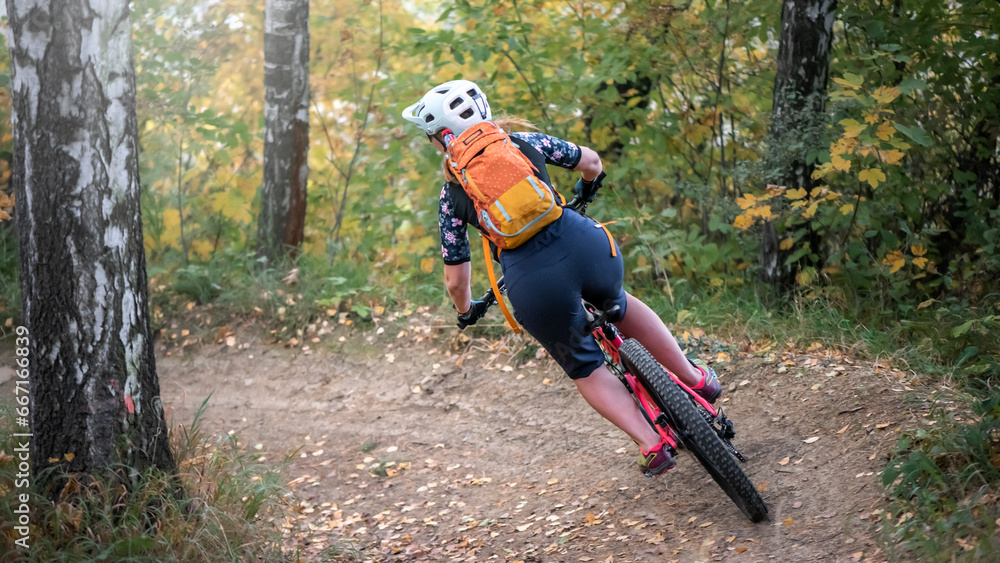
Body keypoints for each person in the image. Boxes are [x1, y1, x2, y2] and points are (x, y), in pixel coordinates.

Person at [402, 80, 721, 475]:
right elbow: (591, 162)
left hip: (534, 284)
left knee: (584, 365)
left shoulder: (452, 194)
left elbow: (456, 280)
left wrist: (466, 311)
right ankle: (695, 378)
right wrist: (586, 189)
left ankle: (651, 443)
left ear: (442, 138)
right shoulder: (523, 142)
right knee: (618, 302)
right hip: (587, 247)